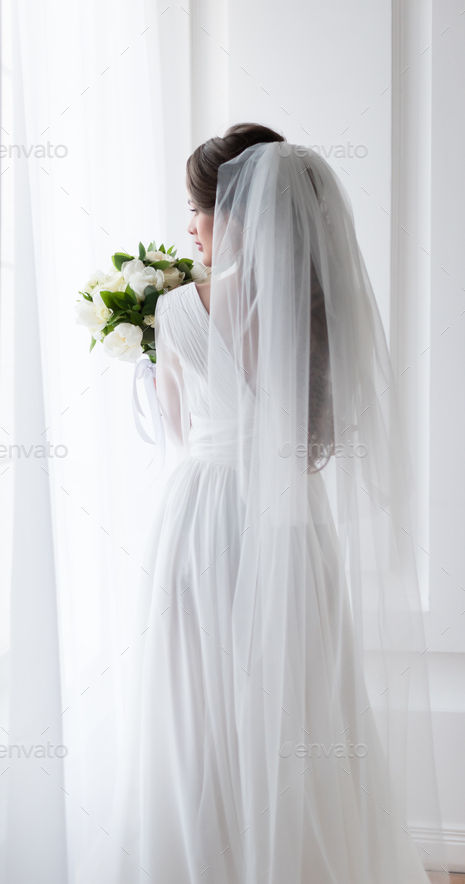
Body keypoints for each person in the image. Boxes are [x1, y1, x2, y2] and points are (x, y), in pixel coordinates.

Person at [101, 124, 443, 884]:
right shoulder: (324, 309)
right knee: (300, 694)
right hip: (293, 513)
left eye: (197, 209)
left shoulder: (179, 307)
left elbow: (178, 429)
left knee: (198, 702)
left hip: (205, 515)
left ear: (234, 212)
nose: (190, 227)